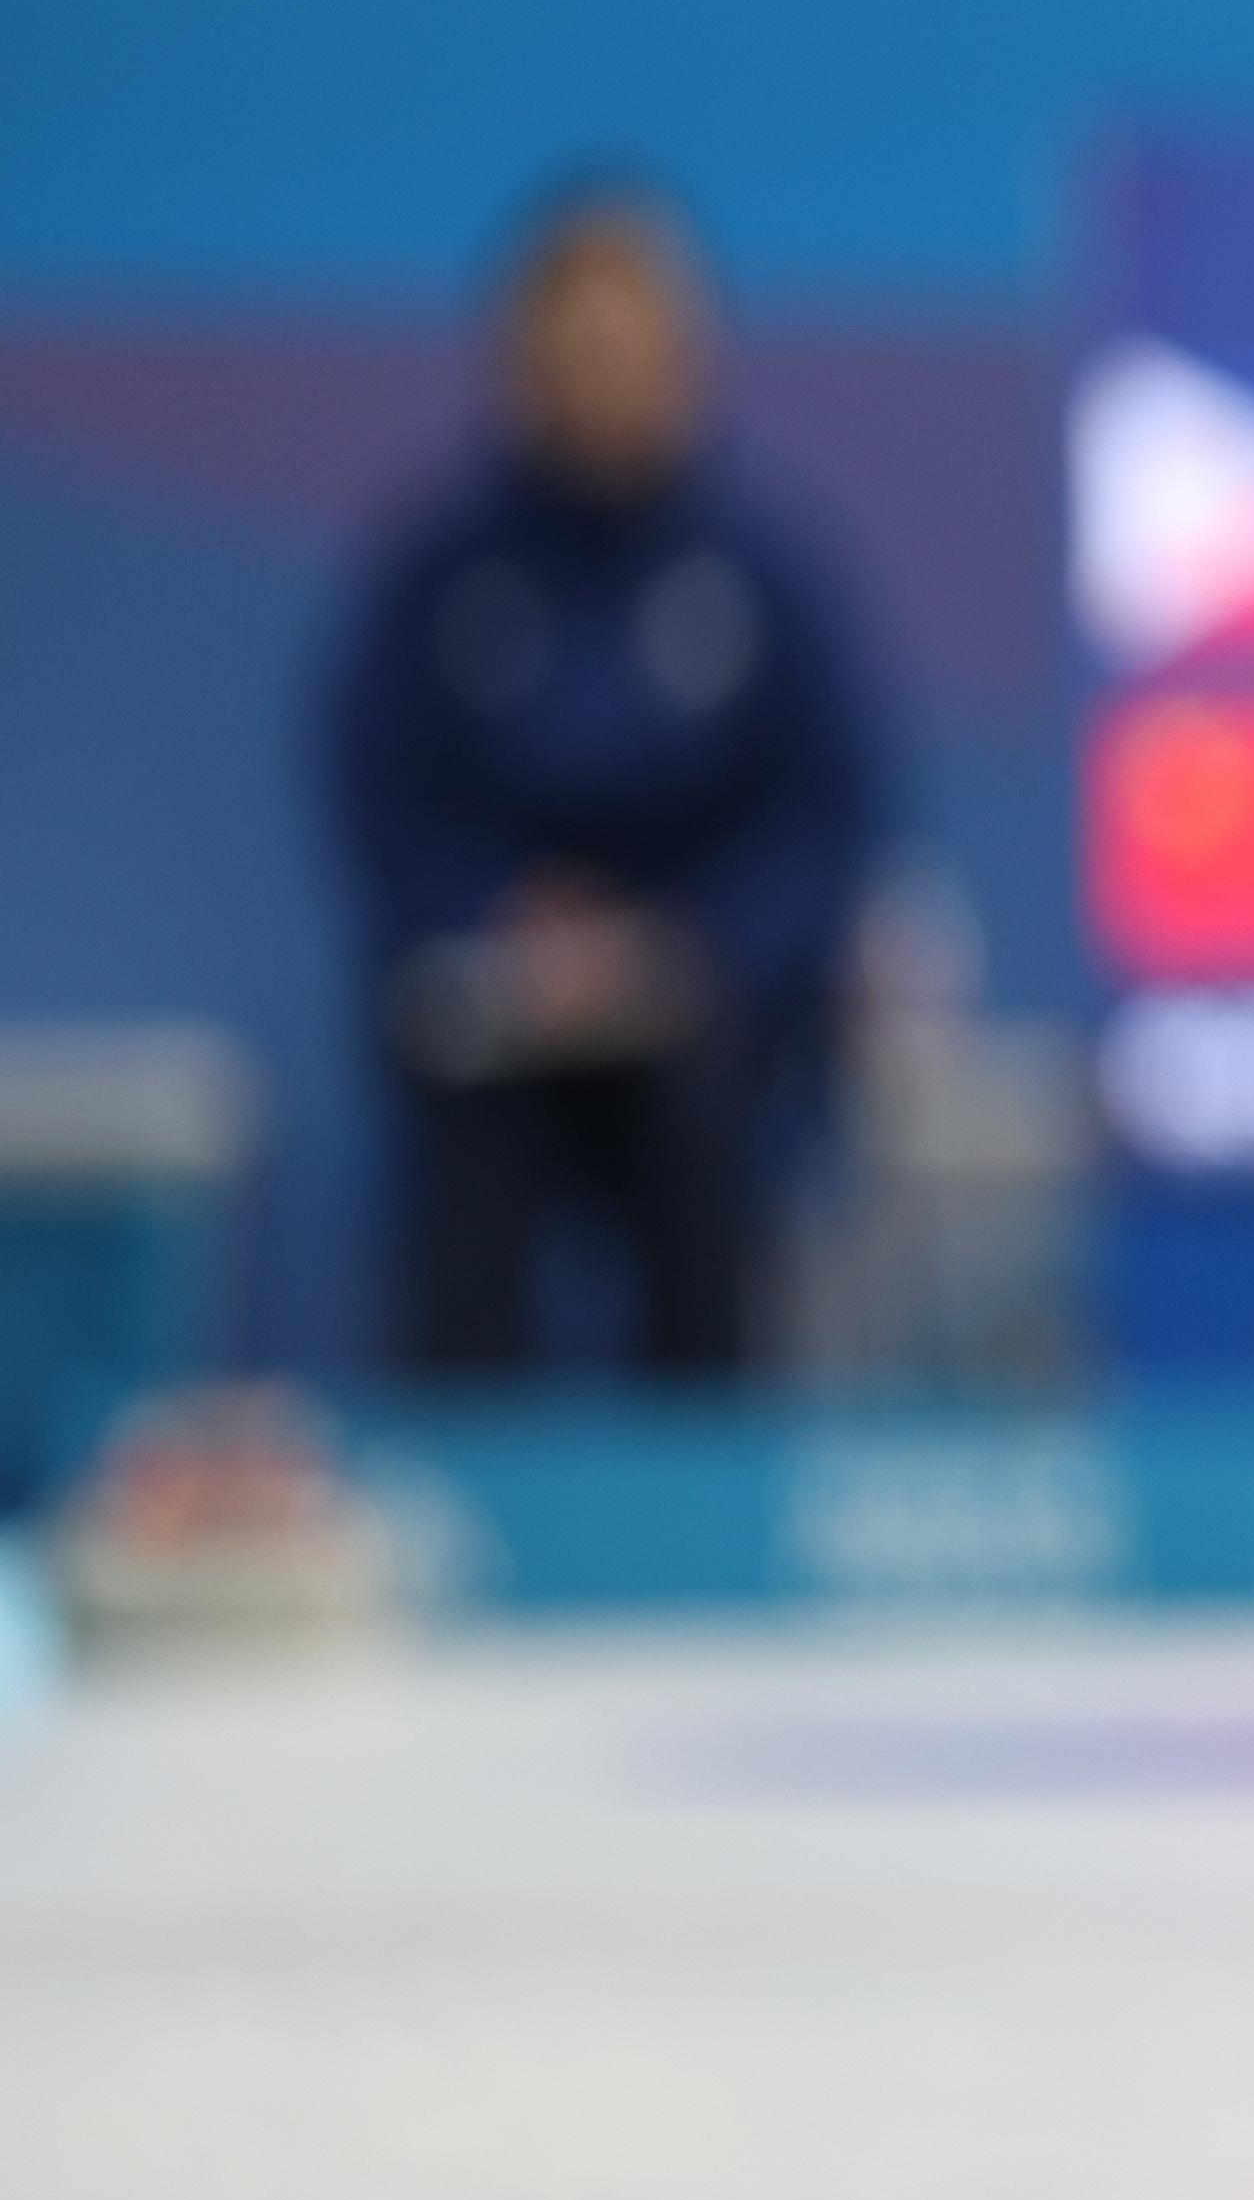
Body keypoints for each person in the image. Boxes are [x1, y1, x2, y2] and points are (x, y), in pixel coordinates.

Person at [325, 181, 884, 1382]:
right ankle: (467, 1487)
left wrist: (693, 948)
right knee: (468, 1135)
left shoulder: (760, 574)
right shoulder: (441, 574)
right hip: (497, 1007)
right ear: (520, 363)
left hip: (697, 1017)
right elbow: (382, 796)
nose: (603, 380)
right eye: (574, 350)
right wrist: (496, 924)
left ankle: (704, 1511)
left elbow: (828, 815)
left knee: (706, 1129)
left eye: (633, 349)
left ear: (688, 361)